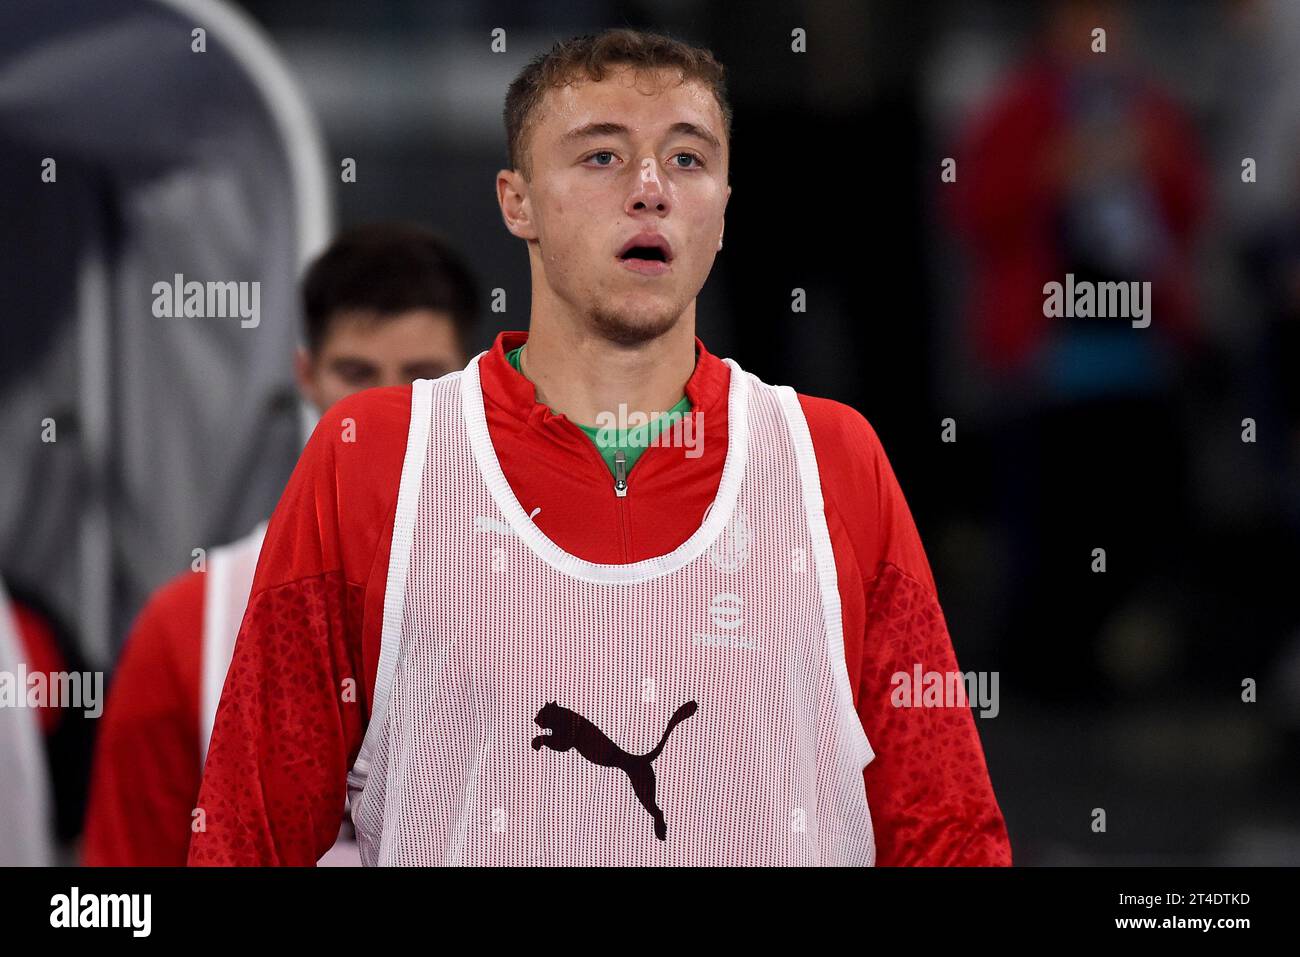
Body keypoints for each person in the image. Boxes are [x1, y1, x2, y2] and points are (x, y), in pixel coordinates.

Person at [189, 29, 1011, 866]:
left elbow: (947, 831)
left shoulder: (833, 459)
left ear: (726, 204)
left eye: (688, 160)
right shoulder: (372, 458)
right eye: (602, 157)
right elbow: (246, 832)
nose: (651, 189)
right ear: (518, 202)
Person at [82, 223, 476, 865]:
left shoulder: (526, 599)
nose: (382, 406)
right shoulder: (186, 624)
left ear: (464, 386)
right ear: (305, 376)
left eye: (420, 378)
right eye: (356, 372)